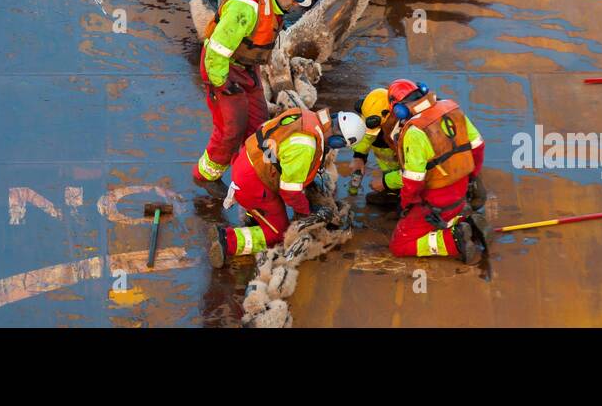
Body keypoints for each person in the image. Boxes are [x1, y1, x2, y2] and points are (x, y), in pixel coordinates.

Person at [192, 0, 316, 198]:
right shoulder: (247, 6)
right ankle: (206, 176)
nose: (297, 6)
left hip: (246, 67)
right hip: (223, 67)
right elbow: (217, 48)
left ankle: (257, 169)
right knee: (231, 129)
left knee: (258, 124)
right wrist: (221, 82)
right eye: (296, 0)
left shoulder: (273, 1)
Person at [209, 107, 366, 267]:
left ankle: (254, 217)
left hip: (248, 160)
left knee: (271, 209)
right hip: (253, 185)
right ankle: (227, 241)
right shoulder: (306, 146)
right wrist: (308, 213)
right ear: (339, 141)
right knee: (278, 234)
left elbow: (265, 131)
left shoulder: (305, 115)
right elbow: (290, 192)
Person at [383, 79, 490, 263]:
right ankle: (464, 221)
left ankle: (453, 240)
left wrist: (407, 205)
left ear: (398, 109)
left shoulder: (414, 131)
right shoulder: (451, 108)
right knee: (442, 214)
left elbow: (414, 181)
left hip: (436, 199)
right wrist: (471, 177)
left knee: (400, 245)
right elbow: (478, 146)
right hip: (461, 187)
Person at [347, 87, 403, 207]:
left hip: (428, 182)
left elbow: (416, 173)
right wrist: (359, 157)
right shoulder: (376, 115)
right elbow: (367, 135)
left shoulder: (408, 133)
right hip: (396, 174)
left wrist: (385, 182)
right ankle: (394, 192)